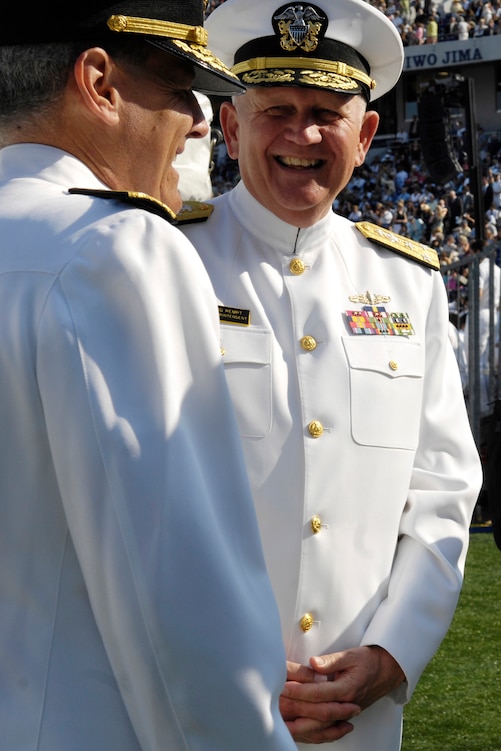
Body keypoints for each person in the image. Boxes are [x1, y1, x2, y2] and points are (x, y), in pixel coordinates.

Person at [0, 2, 298, 749]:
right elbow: (180, 602)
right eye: (176, 87)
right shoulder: (112, 246)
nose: (197, 120)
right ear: (99, 83)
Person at [186, 1, 483, 748]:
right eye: (277, 111)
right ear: (230, 128)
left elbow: (442, 490)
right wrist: (227, 667)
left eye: (326, 113)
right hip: (201, 700)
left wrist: (391, 654)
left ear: (367, 135)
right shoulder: (168, 261)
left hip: (359, 715)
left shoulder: (408, 282)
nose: (303, 135)